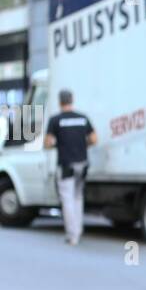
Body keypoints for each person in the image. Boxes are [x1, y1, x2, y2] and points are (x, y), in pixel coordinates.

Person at [44, 90, 97, 245]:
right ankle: (78, 230)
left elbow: (47, 143)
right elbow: (94, 138)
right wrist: (83, 145)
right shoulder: (82, 118)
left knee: (67, 199)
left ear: (60, 101)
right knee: (78, 197)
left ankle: (72, 235)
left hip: (66, 165)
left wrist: (57, 144)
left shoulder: (55, 120)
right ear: (72, 100)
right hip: (83, 164)